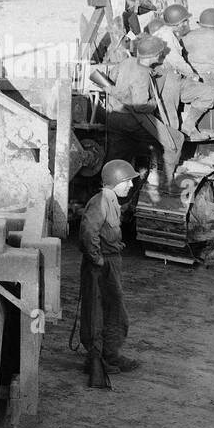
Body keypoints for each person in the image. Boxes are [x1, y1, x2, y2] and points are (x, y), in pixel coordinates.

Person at [79, 159, 139, 388]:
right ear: (116, 181)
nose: (131, 186)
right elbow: (88, 232)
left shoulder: (111, 200)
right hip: (101, 265)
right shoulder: (101, 201)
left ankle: (108, 354)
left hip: (109, 261)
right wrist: (97, 258)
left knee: (112, 311)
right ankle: (98, 357)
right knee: (97, 312)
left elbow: (103, 229)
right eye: (128, 182)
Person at [102, 34, 185, 184]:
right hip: (133, 121)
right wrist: (155, 101)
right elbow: (141, 106)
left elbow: (111, 78)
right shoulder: (144, 73)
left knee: (117, 156)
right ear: (154, 55)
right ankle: (165, 180)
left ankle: (106, 183)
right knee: (176, 140)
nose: (162, 54)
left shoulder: (127, 62)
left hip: (114, 117)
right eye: (161, 52)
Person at [149, 3, 214, 139]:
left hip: (177, 78)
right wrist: (193, 74)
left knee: (208, 93)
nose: (186, 23)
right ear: (178, 22)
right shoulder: (165, 36)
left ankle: (189, 127)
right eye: (184, 20)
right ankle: (169, 151)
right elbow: (176, 61)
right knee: (171, 120)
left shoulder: (169, 33)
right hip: (167, 81)